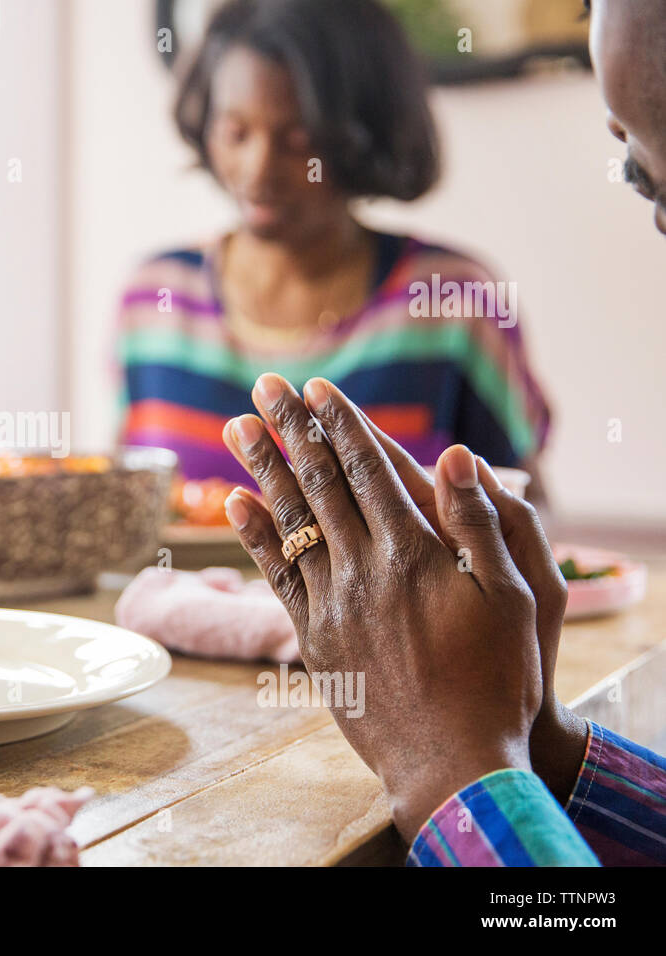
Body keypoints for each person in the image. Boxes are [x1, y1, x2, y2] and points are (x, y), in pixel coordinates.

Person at [217, 0, 666, 865]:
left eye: (650, 173)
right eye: (642, 176)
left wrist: (449, 768)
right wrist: (542, 755)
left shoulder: (450, 294)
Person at [118, 0, 551, 490]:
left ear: (363, 135)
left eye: (299, 140)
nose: (258, 170)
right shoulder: (153, 298)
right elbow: (129, 511)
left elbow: (524, 513)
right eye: (235, 132)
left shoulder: (452, 300)